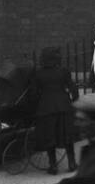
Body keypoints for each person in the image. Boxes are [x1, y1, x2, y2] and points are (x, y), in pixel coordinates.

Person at [32, 46, 77, 175]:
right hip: (63, 105)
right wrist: (74, 100)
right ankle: (72, 163)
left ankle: (53, 166)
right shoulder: (63, 71)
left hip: (46, 107)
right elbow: (72, 87)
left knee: (49, 136)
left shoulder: (39, 73)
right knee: (67, 134)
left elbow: (34, 93)